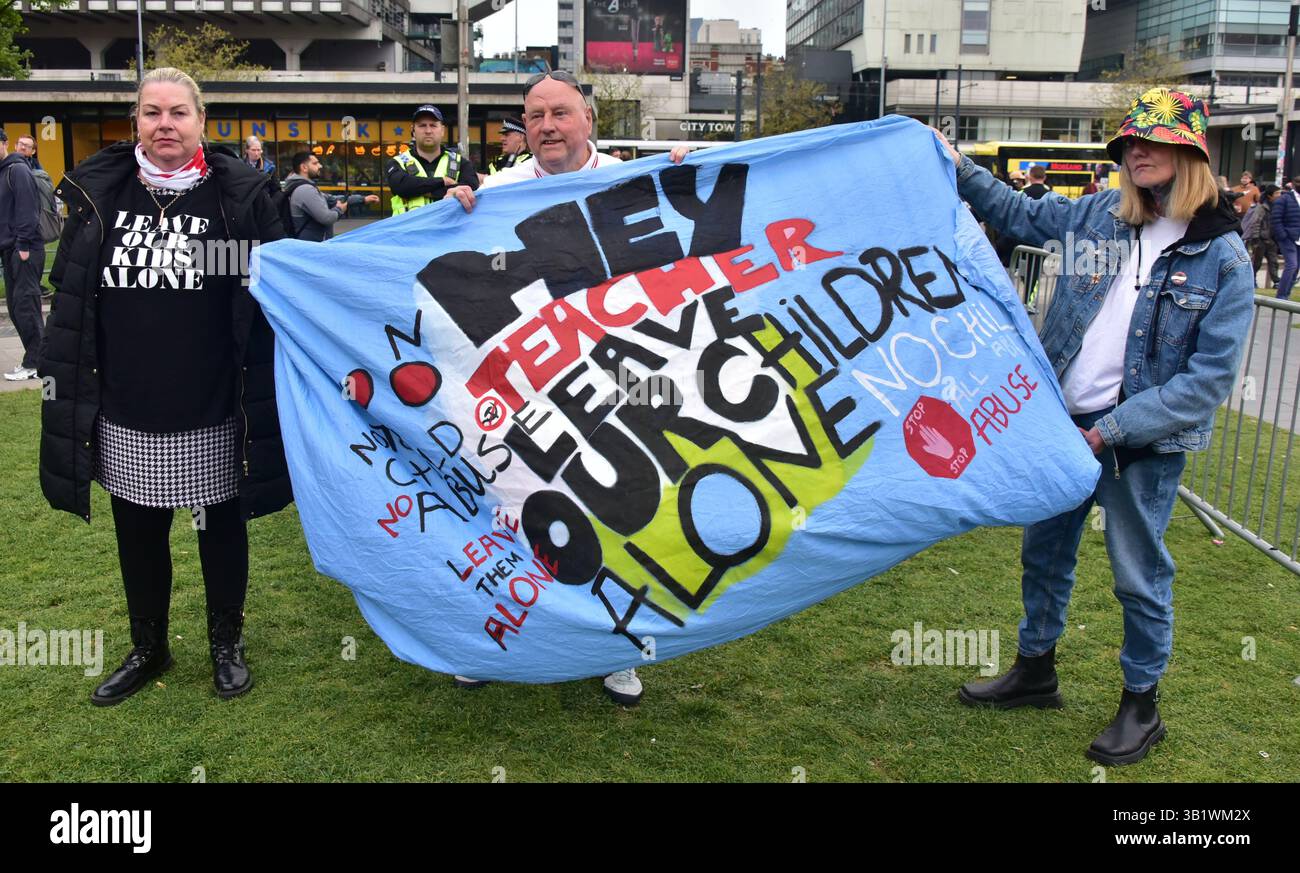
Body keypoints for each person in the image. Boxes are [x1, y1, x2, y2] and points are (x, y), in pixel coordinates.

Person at [938, 88, 1254, 766]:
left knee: (1138, 573)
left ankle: (1142, 703)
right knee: (1044, 551)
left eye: (1152, 141)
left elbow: (1207, 382)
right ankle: (1035, 669)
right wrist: (951, 162)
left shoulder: (1224, 258)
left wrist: (1112, 429)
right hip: (1061, 424)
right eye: (1127, 142)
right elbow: (1018, 212)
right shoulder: (1101, 217)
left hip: (1137, 443)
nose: (1134, 150)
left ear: (1190, 154)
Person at [39, 67, 293, 705]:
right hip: (125, 404)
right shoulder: (104, 198)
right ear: (136, 124)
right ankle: (149, 647)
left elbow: (278, 283)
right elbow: (72, 297)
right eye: (152, 113)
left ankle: (225, 645)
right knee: (138, 533)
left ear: (201, 122)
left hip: (212, 402)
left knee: (220, 530)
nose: (165, 125)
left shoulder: (234, 200)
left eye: (178, 113)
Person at [446, 69, 690, 706]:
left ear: (589, 119)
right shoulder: (495, 193)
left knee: (622, 505)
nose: (547, 127)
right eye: (534, 117)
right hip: (531, 380)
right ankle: (490, 638)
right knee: (511, 508)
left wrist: (689, 175)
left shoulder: (635, 182)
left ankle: (618, 649)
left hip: (620, 375)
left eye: (559, 113)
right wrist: (453, 215)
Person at [0, 127, 45, 382]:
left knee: (26, 307)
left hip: (24, 250)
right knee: (18, 309)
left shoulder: (17, 170)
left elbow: (27, 211)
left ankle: (36, 363)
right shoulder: (4, 172)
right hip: (11, 250)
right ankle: (33, 360)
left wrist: (24, 247)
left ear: (4, 143)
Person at [385, 104, 478, 215]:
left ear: (442, 130)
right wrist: (443, 182)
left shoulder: (461, 163)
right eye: (422, 125)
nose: (428, 131)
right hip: (408, 231)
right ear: (413, 130)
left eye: (433, 125)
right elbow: (402, 187)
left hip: (448, 231)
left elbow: (472, 187)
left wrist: (419, 190)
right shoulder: (397, 162)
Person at [283, 150, 379, 241]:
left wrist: (362, 199)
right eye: (315, 163)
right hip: (312, 247)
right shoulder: (305, 190)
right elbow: (327, 218)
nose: (320, 166)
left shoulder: (303, 186)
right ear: (304, 167)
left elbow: (331, 199)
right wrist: (339, 209)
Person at [1243, 183, 1279, 289]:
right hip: (1260, 239)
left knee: (1273, 261)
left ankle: (1276, 281)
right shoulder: (1262, 207)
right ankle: (1251, 279)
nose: (1279, 195)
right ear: (1270, 195)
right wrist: (1256, 238)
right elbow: (1255, 222)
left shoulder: (1277, 206)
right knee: (1257, 262)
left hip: (1271, 239)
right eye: (1276, 193)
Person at [1271, 175, 1300, 300]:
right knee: (1291, 265)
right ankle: (1281, 296)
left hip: (1298, 238)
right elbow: (1275, 219)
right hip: (1288, 237)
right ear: (1293, 184)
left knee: (1296, 268)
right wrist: (1282, 235)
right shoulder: (1283, 199)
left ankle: (1286, 295)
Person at [480, 115, 532, 183]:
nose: (502, 139)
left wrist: (486, 179)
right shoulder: (497, 162)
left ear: (521, 137)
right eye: (502, 135)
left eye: (507, 135)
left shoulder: (531, 162)